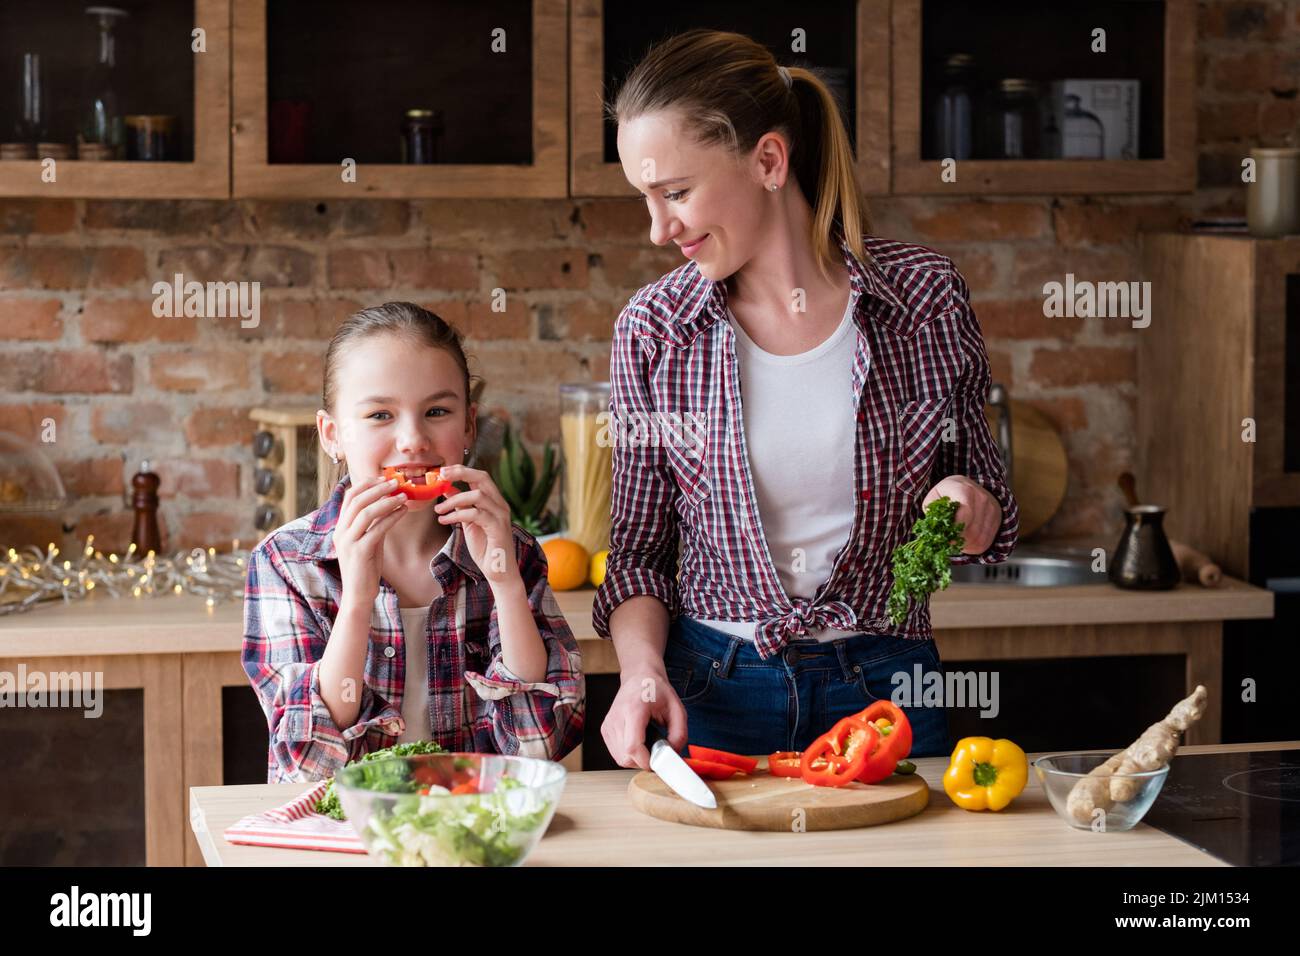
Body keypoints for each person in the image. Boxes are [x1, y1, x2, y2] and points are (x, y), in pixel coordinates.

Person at [593, 30, 1019, 769]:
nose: (659, 229)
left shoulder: (923, 299)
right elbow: (637, 557)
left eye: (676, 193)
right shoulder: (654, 332)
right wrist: (641, 674)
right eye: (646, 199)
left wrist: (966, 504)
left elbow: (986, 508)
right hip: (715, 692)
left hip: (890, 686)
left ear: (767, 160)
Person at [243, 301, 584, 782]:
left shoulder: (513, 551)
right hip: (340, 841)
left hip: (472, 834)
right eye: (381, 414)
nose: (413, 440)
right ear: (332, 435)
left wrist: (505, 583)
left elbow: (538, 746)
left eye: (437, 411)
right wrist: (358, 599)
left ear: (468, 425)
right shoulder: (286, 562)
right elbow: (309, 765)